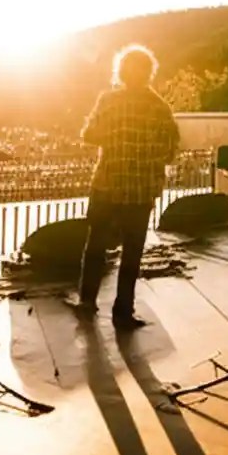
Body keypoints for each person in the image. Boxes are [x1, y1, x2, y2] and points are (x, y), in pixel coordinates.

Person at [68, 44, 179, 330]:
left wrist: (114, 136)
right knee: (133, 250)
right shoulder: (160, 108)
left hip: (107, 184)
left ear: (121, 71)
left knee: (95, 245)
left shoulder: (108, 100)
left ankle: (87, 302)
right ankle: (123, 312)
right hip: (141, 190)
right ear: (150, 73)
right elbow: (170, 150)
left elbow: (89, 135)